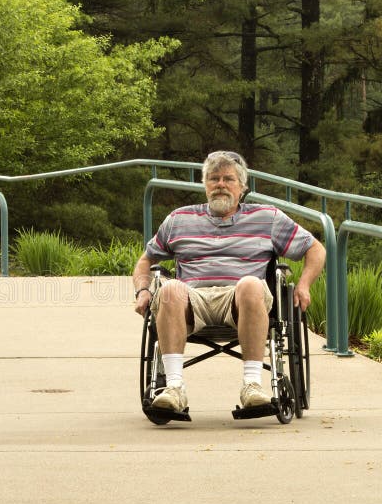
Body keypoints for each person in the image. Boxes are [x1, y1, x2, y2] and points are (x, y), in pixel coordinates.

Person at [132, 151, 326, 413]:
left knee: (250, 284)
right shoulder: (179, 219)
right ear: (205, 185)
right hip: (192, 299)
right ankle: (174, 387)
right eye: (214, 179)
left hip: (242, 299)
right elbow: (145, 261)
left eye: (228, 179)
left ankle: (252, 385)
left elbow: (315, 249)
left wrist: (304, 285)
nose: (220, 184)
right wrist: (143, 291)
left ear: (242, 187)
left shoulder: (267, 218)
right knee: (170, 288)